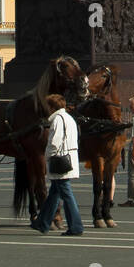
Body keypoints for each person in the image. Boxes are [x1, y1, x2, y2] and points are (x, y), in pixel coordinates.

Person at [31, 94, 84, 236]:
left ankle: (76, 226)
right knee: (54, 193)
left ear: (52, 107)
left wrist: (47, 156)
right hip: (69, 157)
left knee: (66, 193)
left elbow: (55, 142)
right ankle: (42, 223)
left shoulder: (57, 120)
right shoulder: (69, 118)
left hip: (59, 160)